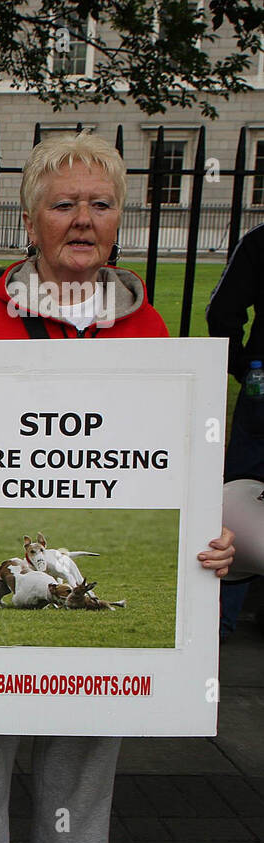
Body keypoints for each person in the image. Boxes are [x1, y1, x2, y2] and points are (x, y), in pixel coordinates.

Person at [0, 133, 236, 843]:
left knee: (79, 801)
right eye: (64, 204)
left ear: (120, 222)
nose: (84, 220)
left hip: (91, 657)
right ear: (30, 221)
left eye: (101, 205)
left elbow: (177, 465)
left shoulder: (148, 329)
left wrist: (210, 532)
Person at [206, 226, 264, 636]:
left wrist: (245, 366)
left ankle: (218, 621)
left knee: (239, 495)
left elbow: (223, 312)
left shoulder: (261, 241)